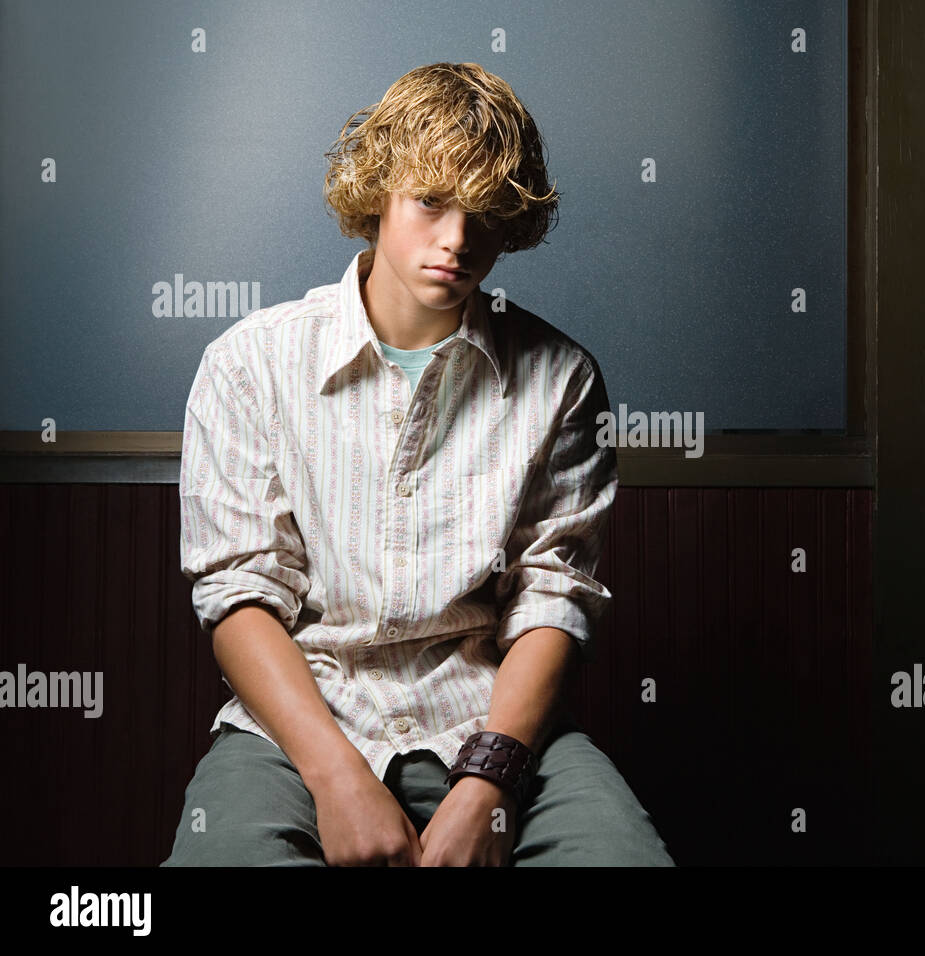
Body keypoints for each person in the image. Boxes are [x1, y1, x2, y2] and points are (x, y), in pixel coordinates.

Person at [162, 62, 674, 867]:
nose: (459, 238)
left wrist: (488, 782)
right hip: (299, 728)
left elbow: (553, 597)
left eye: (486, 212)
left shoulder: (560, 377)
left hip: (490, 720)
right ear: (377, 198)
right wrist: (336, 778)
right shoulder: (248, 364)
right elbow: (237, 596)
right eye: (431, 200)